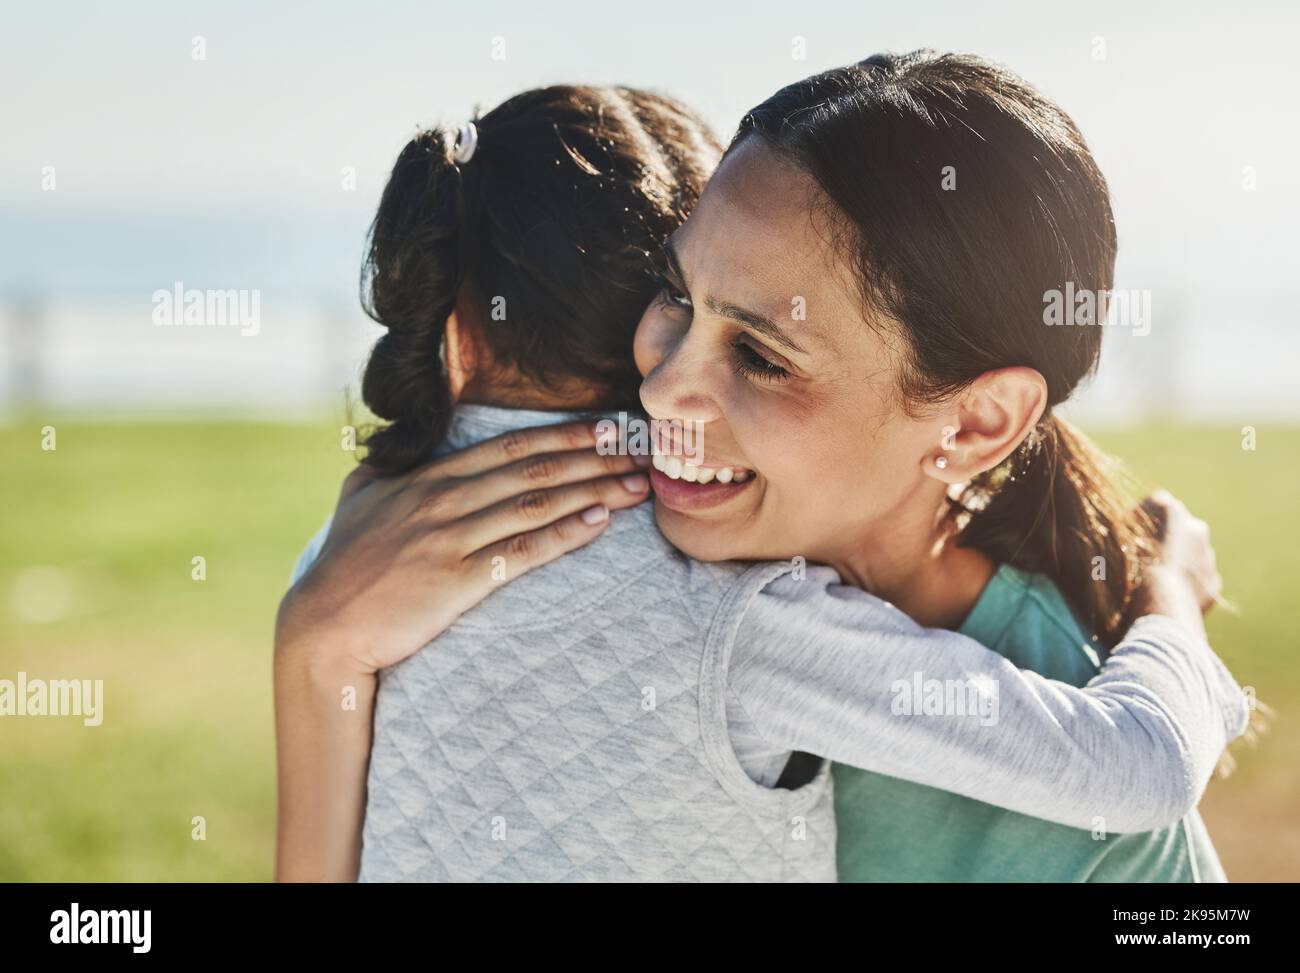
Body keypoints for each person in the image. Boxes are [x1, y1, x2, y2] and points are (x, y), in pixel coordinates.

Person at [275, 69, 1247, 883]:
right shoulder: (498, 562)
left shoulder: (1073, 799)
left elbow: (1143, 770)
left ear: (978, 420)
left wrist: (1166, 593)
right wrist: (317, 648)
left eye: (763, 357)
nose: (664, 395)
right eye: (676, 293)